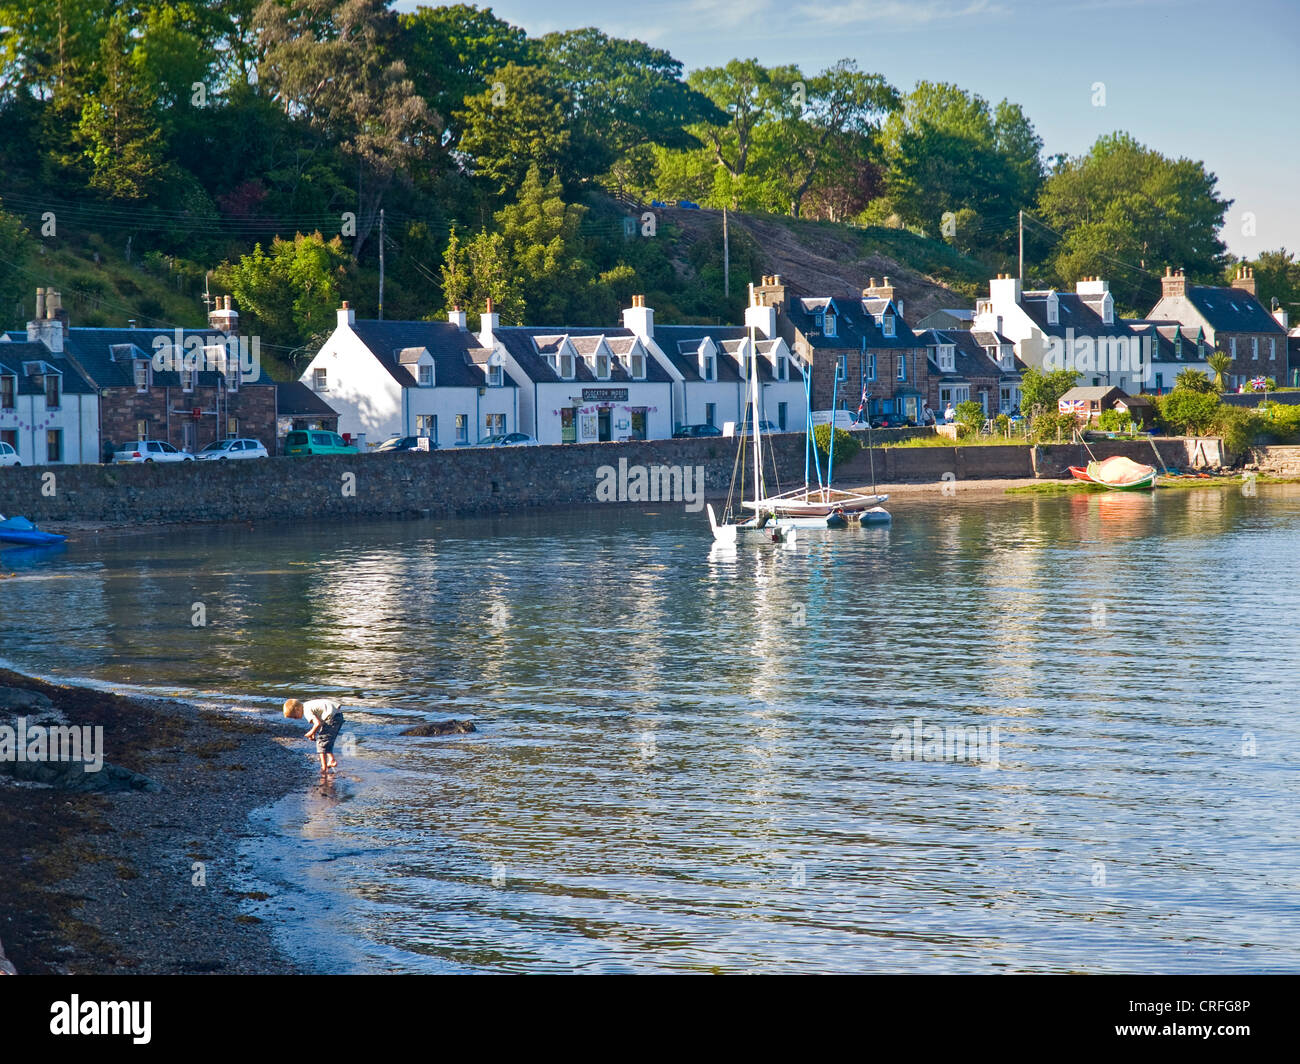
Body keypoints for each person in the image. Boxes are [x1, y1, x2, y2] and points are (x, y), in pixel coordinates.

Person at [283, 697, 344, 773]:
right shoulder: (307, 705)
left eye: (295, 716)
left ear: (297, 709)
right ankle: (331, 759)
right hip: (337, 715)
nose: (296, 719)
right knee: (325, 740)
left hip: (332, 717)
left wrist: (311, 733)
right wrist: (314, 733)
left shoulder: (306, 711)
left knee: (320, 743)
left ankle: (324, 767)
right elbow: (320, 723)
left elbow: (317, 724)